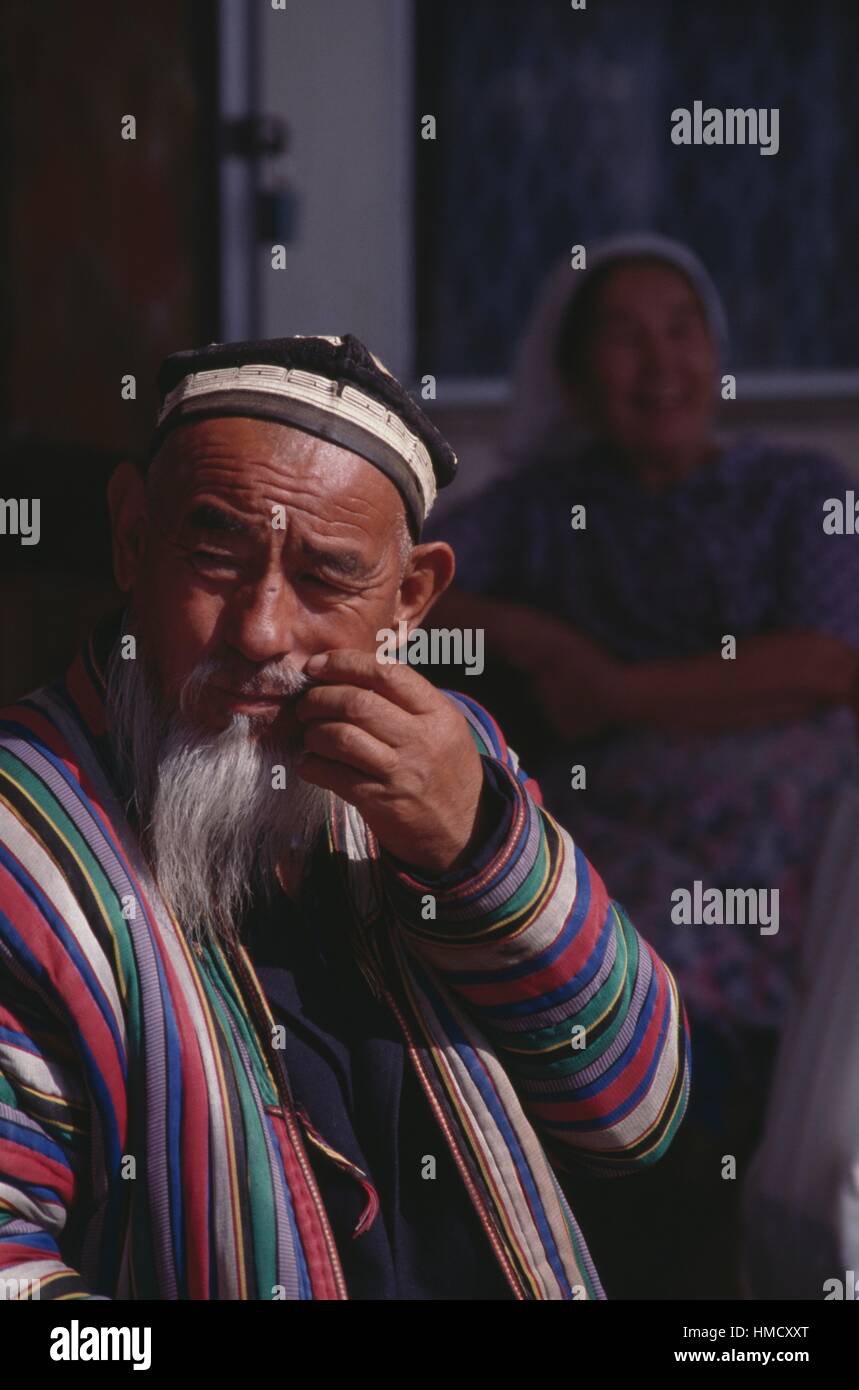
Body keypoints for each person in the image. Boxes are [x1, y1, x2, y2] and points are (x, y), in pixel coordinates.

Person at [0, 333, 688, 1301]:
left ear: (409, 600)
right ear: (129, 538)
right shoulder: (21, 841)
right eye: (212, 554)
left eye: (325, 577)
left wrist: (479, 849)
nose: (261, 630)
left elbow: (635, 1109)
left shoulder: (451, 766)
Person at [427, 235, 859, 1296]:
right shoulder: (543, 504)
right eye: (623, 337)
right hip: (615, 815)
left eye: (681, 329)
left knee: (690, 994)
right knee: (547, 956)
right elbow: (401, 586)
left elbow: (823, 660)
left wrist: (614, 688)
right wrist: (535, 636)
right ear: (574, 376)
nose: (659, 361)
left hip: (780, 814)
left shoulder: (794, 490)